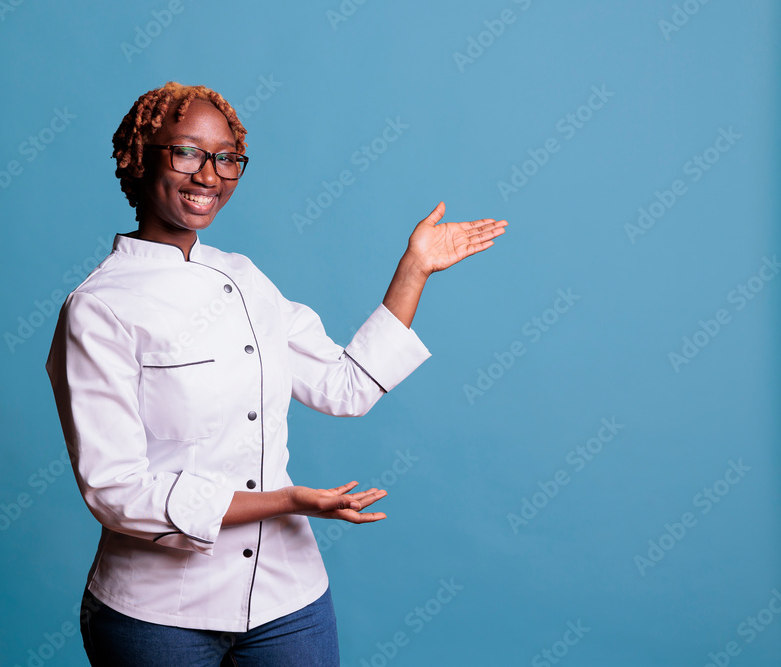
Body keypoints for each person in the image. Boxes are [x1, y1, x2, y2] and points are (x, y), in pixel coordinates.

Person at [44, 81, 506, 666]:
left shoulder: (244, 278)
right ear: (141, 158)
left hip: (288, 601)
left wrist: (413, 270)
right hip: (157, 614)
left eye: (227, 158)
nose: (208, 175)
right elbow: (117, 491)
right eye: (186, 153)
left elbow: (345, 386)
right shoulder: (99, 307)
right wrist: (281, 501)